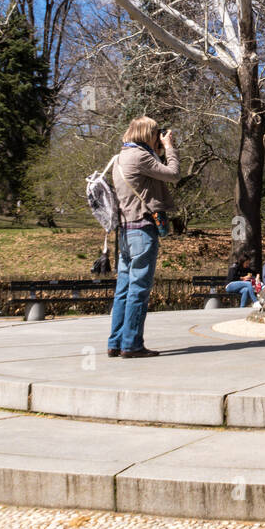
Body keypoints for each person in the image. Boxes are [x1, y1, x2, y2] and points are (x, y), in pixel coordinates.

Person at [107, 116, 180, 358]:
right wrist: (169, 148)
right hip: (142, 229)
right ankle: (132, 345)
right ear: (148, 133)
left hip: (126, 231)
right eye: (156, 133)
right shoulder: (140, 156)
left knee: (124, 289)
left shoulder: (120, 157)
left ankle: (116, 342)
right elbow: (173, 173)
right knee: (139, 289)